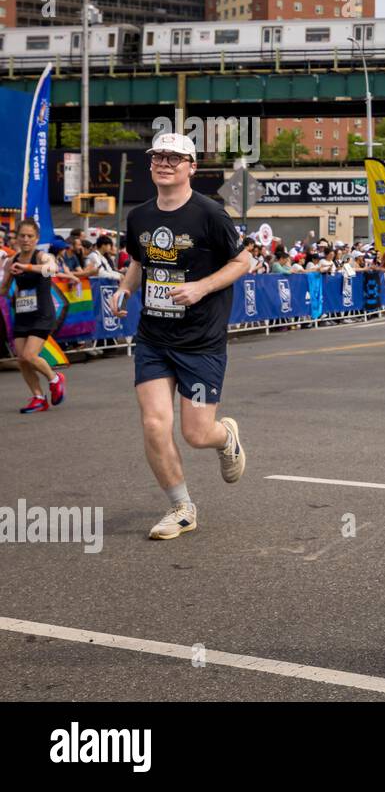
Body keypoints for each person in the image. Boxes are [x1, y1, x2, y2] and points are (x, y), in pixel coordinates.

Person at [107, 133, 249, 541]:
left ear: (191, 167)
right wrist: (126, 289)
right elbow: (139, 259)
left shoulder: (210, 214)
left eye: (174, 157)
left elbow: (243, 260)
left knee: (196, 433)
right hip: (154, 336)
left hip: (201, 341)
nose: (164, 163)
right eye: (157, 156)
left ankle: (226, 438)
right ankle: (181, 507)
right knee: (154, 423)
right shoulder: (140, 216)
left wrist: (202, 287)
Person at [1, 218, 67, 413]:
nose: (26, 239)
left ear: (37, 238)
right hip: (22, 313)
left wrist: (27, 267)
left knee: (30, 355)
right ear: (16, 238)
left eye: (30, 236)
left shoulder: (42, 257)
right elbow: (4, 290)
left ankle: (55, 379)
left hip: (43, 313)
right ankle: (38, 397)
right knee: (22, 359)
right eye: (22, 236)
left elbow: (52, 270)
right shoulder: (11, 261)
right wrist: (10, 274)